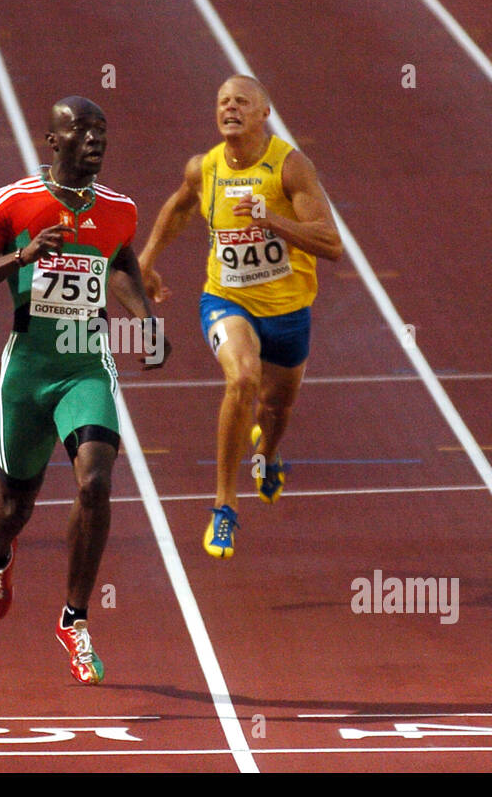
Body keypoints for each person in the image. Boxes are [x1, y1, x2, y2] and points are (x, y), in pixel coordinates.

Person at [0, 96, 168, 685]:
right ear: (53, 141)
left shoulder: (119, 209)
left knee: (95, 480)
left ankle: (74, 617)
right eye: (83, 131)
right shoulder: (14, 203)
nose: (96, 140)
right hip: (28, 375)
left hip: (84, 365)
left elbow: (120, 261)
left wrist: (144, 317)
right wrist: (21, 255)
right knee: (15, 506)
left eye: (102, 131)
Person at [138, 75, 343, 559]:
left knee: (276, 410)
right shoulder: (204, 167)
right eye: (222, 102)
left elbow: (331, 245)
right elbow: (179, 207)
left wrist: (270, 220)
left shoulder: (290, 168)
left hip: (289, 311)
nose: (229, 108)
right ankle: (224, 507)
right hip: (226, 299)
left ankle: (267, 457)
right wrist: (145, 261)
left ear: (263, 112)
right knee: (243, 378)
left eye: (241, 102)